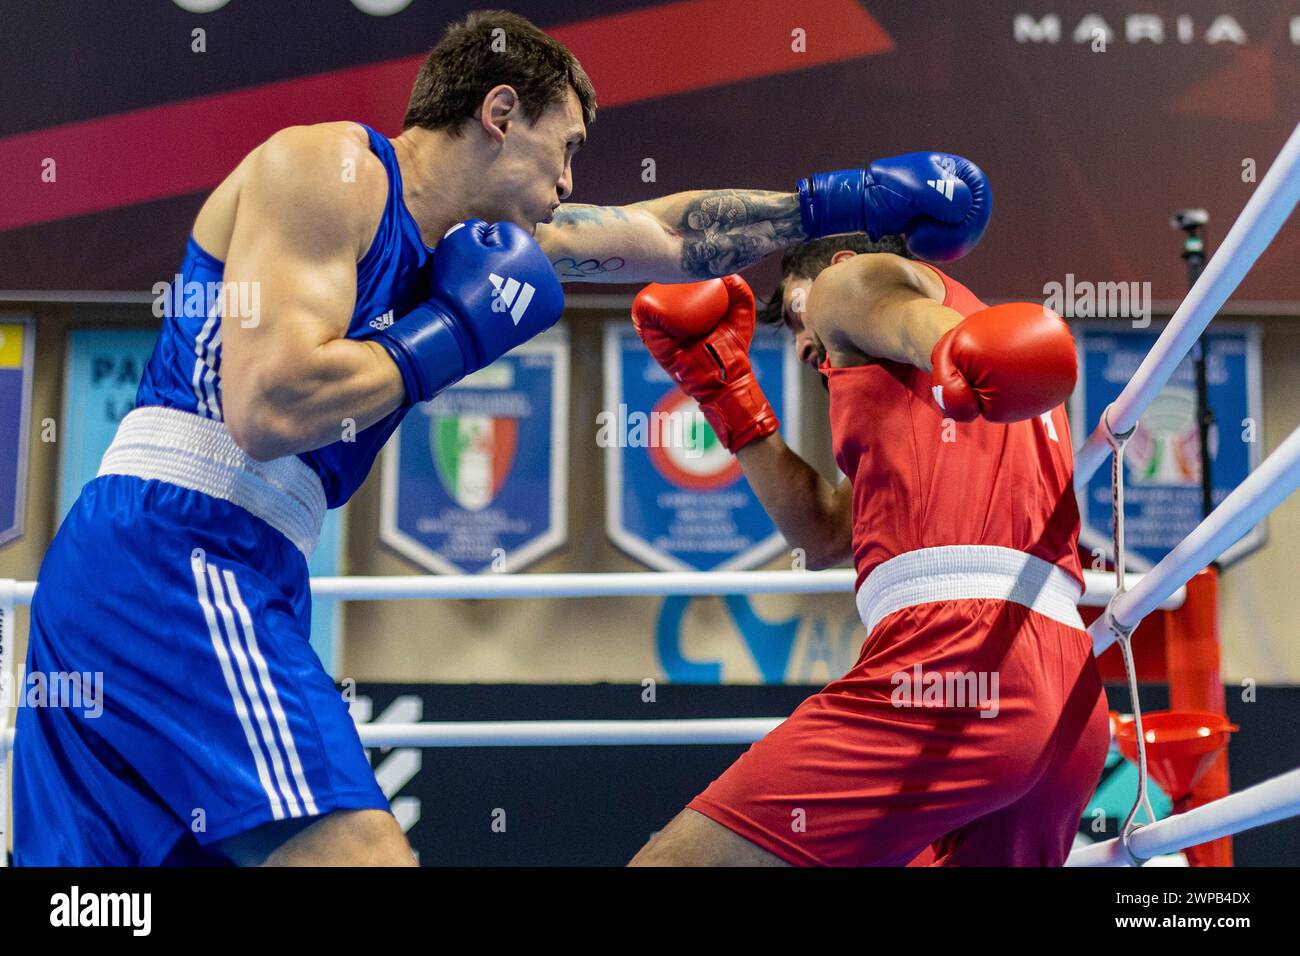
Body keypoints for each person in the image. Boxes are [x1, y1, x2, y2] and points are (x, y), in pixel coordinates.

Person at [13, 10, 988, 866]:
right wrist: (455, 330)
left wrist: (838, 205)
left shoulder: (462, 250)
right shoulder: (329, 169)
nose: (569, 184)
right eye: (562, 151)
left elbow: (664, 235)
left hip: (214, 562)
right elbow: (268, 408)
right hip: (180, 549)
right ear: (500, 111)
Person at [627, 234, 1109, 866]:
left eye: (799, 319)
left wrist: (952, 348)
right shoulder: (925, 410)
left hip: (956, 661)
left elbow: (915, 325)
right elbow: (825, 533)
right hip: (1066, 698)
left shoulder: (848, 288)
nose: (806, 347)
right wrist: (726, 391)